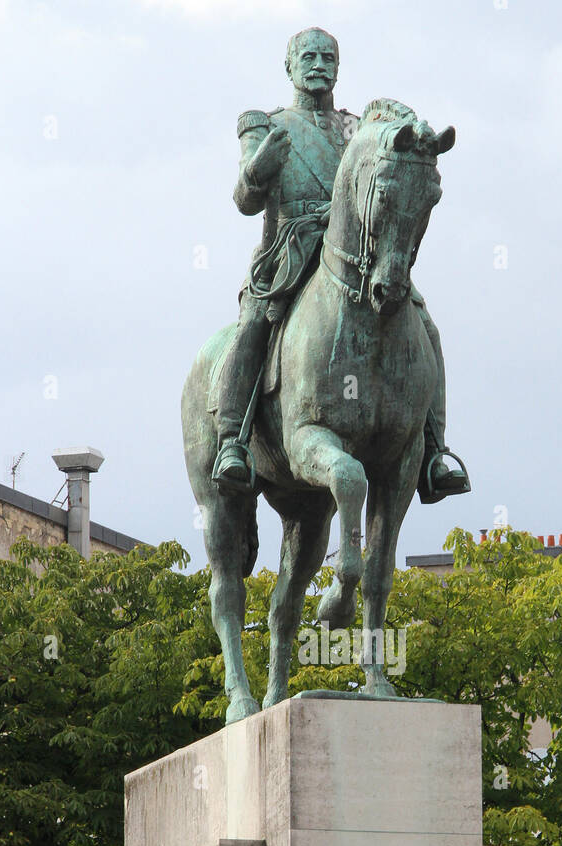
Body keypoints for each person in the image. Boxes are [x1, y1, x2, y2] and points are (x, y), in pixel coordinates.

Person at [212, 27, 470, 506]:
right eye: (307, 57)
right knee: (252, 327)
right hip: (289, 253)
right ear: (289, 66)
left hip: (355, 253)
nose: (318, 65)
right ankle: (233, 442)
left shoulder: (358, 130)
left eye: (328, 57)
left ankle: (434, 451)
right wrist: (256, 169)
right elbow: (244, 200)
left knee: (425, 326)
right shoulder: (263, 124)